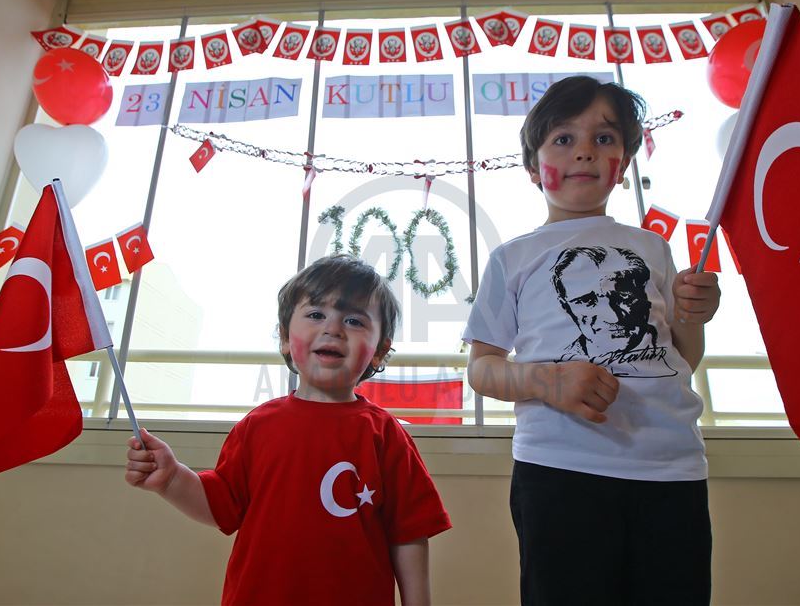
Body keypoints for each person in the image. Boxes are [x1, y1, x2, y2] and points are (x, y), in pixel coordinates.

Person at [463, 76, 720, 605]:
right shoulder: (511, 258)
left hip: (672, 467)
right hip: (559, 469)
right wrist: (546, 381)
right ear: (533, 166)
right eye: (563, 138)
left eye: (604, 138)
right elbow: (482, 368)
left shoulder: (653, 247)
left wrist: (694, 314)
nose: (584, 150)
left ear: (622, 166)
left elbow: (683, 358)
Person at [125, 254, 451, 606]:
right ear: (284, 337)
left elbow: (409, 535)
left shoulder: (386, 434)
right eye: (316, 315)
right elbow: (220, 507)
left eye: (354, 320)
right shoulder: (257, 426)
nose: (333, 329)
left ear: (379, 351)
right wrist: (172, 479)